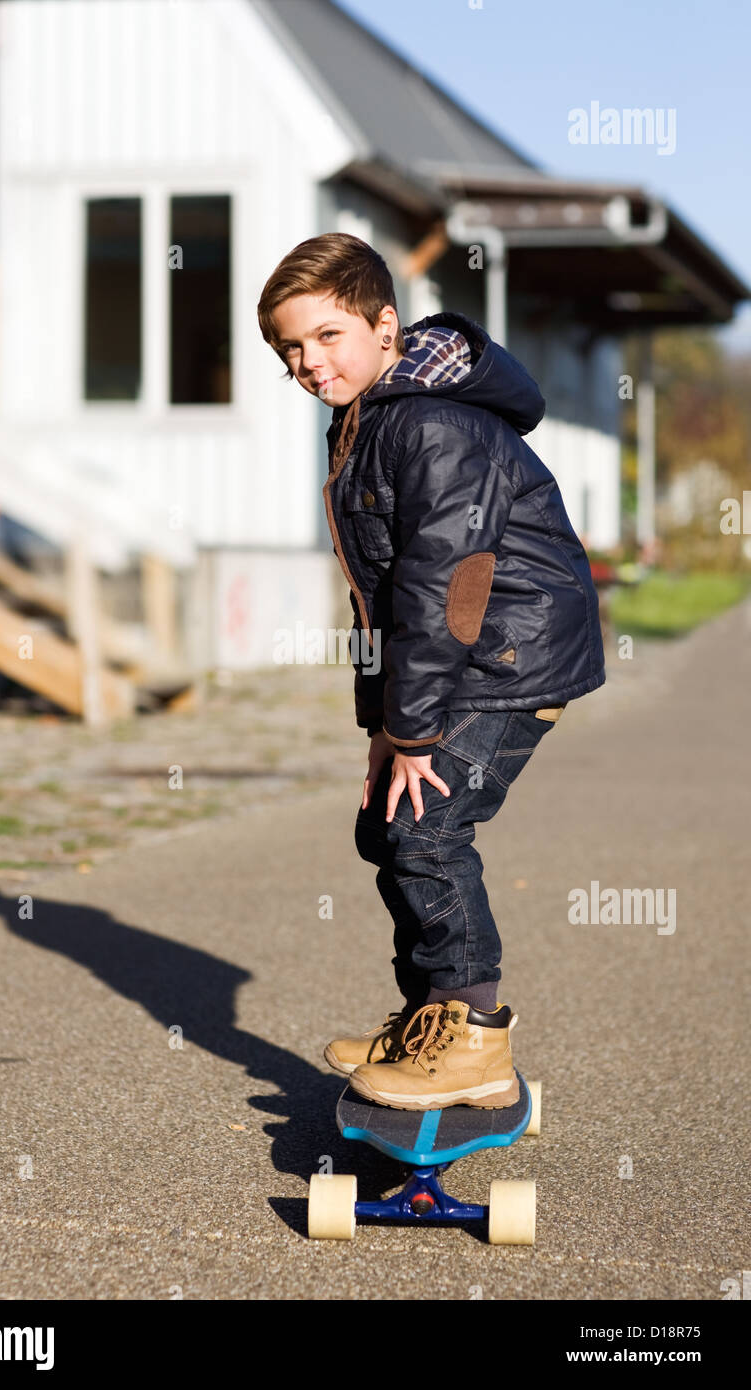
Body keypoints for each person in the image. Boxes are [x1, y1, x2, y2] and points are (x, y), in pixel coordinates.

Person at [257, 233, 604, 1110]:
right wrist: (385, 728)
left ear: (385, 325)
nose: (308, 362)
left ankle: (474, 1042)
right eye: (291, 348)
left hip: (506, 655)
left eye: (328, 337)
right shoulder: (368, 418)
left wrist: (412, 729)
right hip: (462, 655)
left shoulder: (433, 422)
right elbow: (381, 595)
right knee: (389, 824)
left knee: (427, 832)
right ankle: (433, 1019)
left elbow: (447, 584)